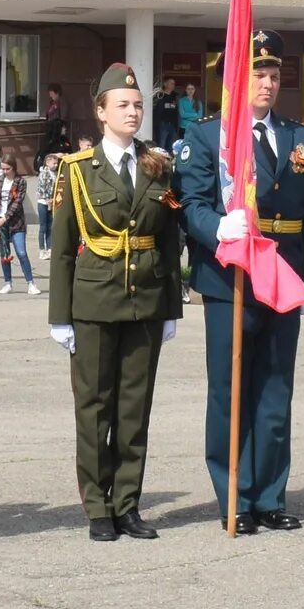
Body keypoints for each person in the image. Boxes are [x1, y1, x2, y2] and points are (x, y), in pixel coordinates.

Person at [178, 33, 304, 533]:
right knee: (231, 390)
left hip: (284, 272)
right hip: (233, 274)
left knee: (275, 388)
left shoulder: (300, 136)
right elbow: (194, 204)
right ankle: (235, 498)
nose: (266, 84)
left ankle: (270, 495)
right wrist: (214, 227)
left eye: (273, 76)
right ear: (236, 79)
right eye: (257, 74)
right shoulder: (209, 137)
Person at [48, 63, 181, 541]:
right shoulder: (77, 170)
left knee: (134, 408)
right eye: (123, 105)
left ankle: (128, 504)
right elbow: (63, 250)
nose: (133, 111)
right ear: (100, 112)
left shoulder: (159, 166)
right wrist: (59, 316)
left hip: (145, 302)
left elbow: (169, 241)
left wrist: (171, 307)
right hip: (93, 303)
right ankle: (98, 507)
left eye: (138, 104)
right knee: (95, 407)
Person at [0, 148, 35, 294]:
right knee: (4, 254)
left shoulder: (20, 182)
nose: (4, 171)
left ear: (13, 167)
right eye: (2, 169)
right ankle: (8, 282)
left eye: (7, 169)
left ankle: (30, 283)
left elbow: (17, 203)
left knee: (21, 252)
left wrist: (4, 218)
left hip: (15, 223)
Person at [32, 152, 59, 257]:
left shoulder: (56, 173)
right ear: (47, 163)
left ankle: (50, 248)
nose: (56, 165)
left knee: (50, 226)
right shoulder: (44, 173)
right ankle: (42, 249)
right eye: (54, 163)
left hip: (52, 203)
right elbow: (43, 187)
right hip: (43, 203)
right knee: (43, 226)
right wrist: (48, 199)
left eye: (57, 163)